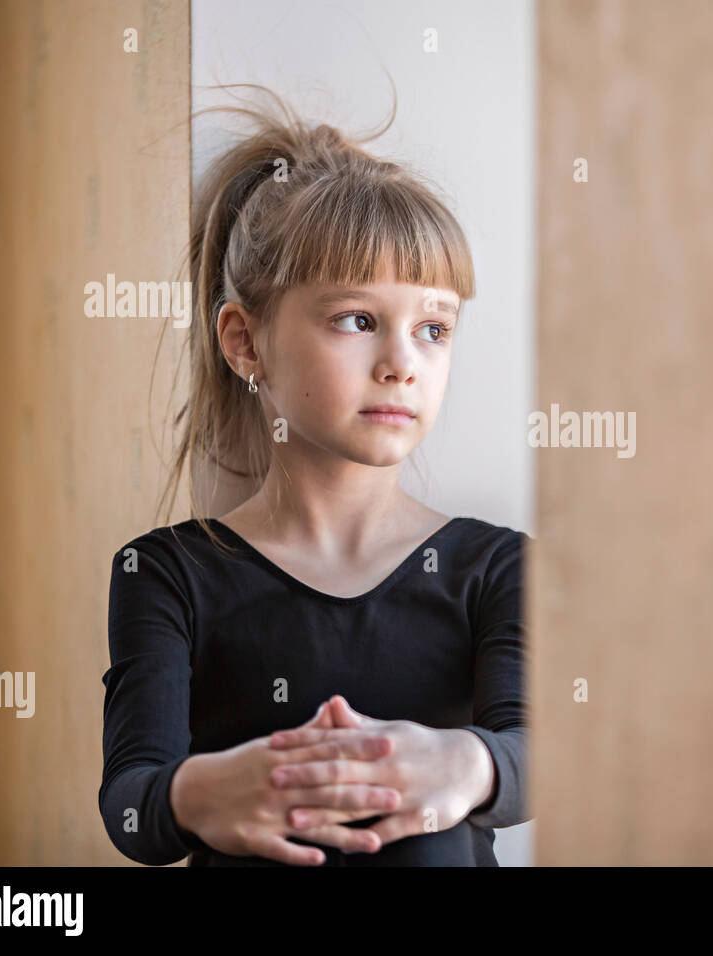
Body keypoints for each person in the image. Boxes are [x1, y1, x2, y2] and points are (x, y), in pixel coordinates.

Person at [98, 85, 529, 866]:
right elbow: (131, 805)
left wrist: (467, 763)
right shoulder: (165, 574)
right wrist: (204, 790)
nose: (402, 364)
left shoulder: (498, 568)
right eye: (357, 321)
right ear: (244, 343)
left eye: (433, 329)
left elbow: (541, 750)